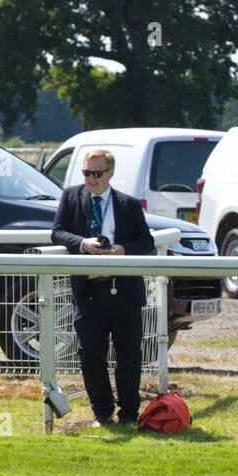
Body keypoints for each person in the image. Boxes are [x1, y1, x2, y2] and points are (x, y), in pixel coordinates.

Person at [51, 148, 155, 426]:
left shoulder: (128, 204)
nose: (92, 179)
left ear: (110, 173)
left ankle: (130, 413)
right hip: (89, 291)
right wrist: (82, 244)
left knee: (129, 355)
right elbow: (57, 232)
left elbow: (146, 243)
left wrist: (123, 249)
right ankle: (102, 411)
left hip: (124, 290)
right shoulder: (71, 197)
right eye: (87, 173)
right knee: (90, 353)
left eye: (97, 174)